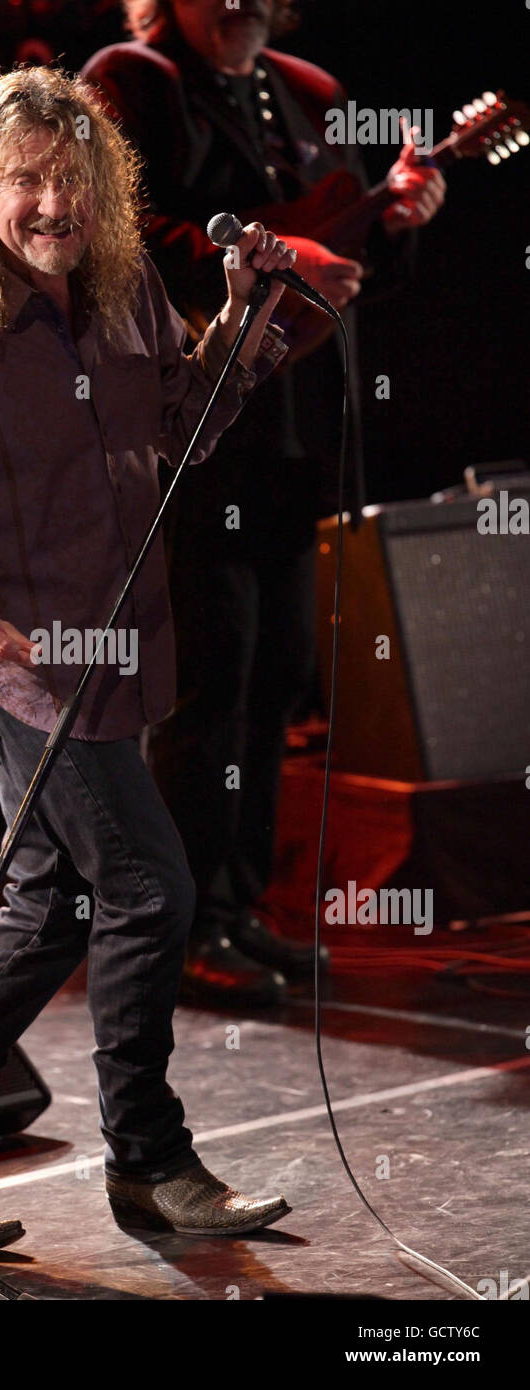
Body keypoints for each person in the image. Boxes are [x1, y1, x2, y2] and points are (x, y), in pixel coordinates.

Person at [0, 65, 298, 1248]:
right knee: (149, 887)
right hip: (16, 666)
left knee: (48, 907)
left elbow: (181, 430)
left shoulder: (123, 287)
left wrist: (241, 315)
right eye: (27, 182)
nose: (53, 205)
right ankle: (148, 1161)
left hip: (115, 652)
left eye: (74, 181)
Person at [83, 0, 446, 1004]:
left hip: (289, 426)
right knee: (212, 672)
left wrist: (396, 221)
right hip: (191, 416)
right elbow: (114, 235)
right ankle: (177, 927)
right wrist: (267, 259)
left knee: (279, 668)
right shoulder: (131, 78)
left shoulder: (309, 91)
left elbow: (349, 257)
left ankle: (234, 907)